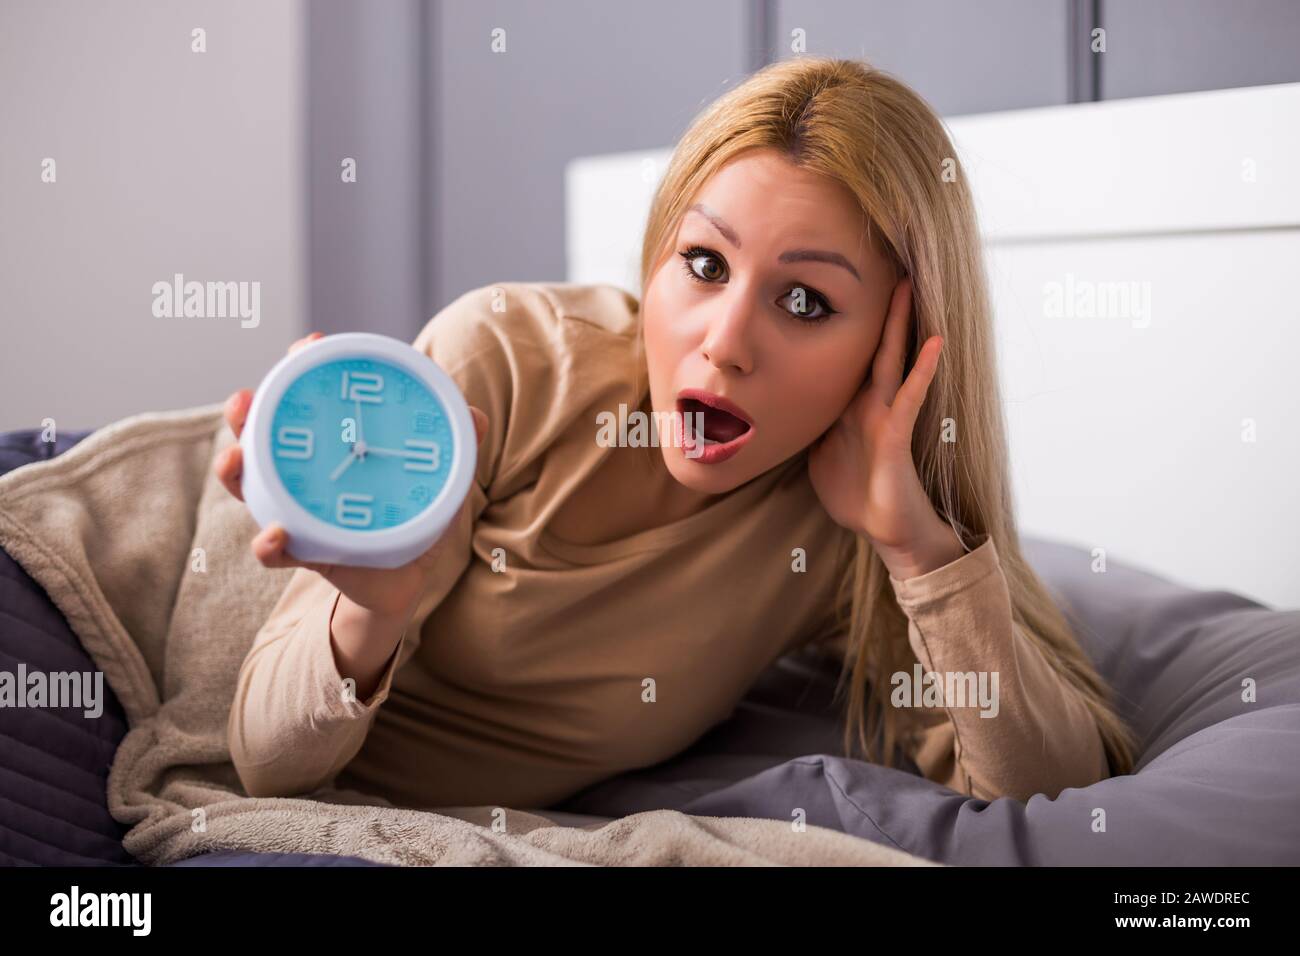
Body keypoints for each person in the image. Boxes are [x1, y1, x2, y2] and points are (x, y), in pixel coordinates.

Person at [217, 56, 1137, 810]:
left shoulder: (845, 531)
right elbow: (263, 766)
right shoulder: (503, 365)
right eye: (703, 263)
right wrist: (370, 610)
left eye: (806, 301)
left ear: (894, 349)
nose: (726, 342)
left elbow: (1053, 796)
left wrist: (919, 549)